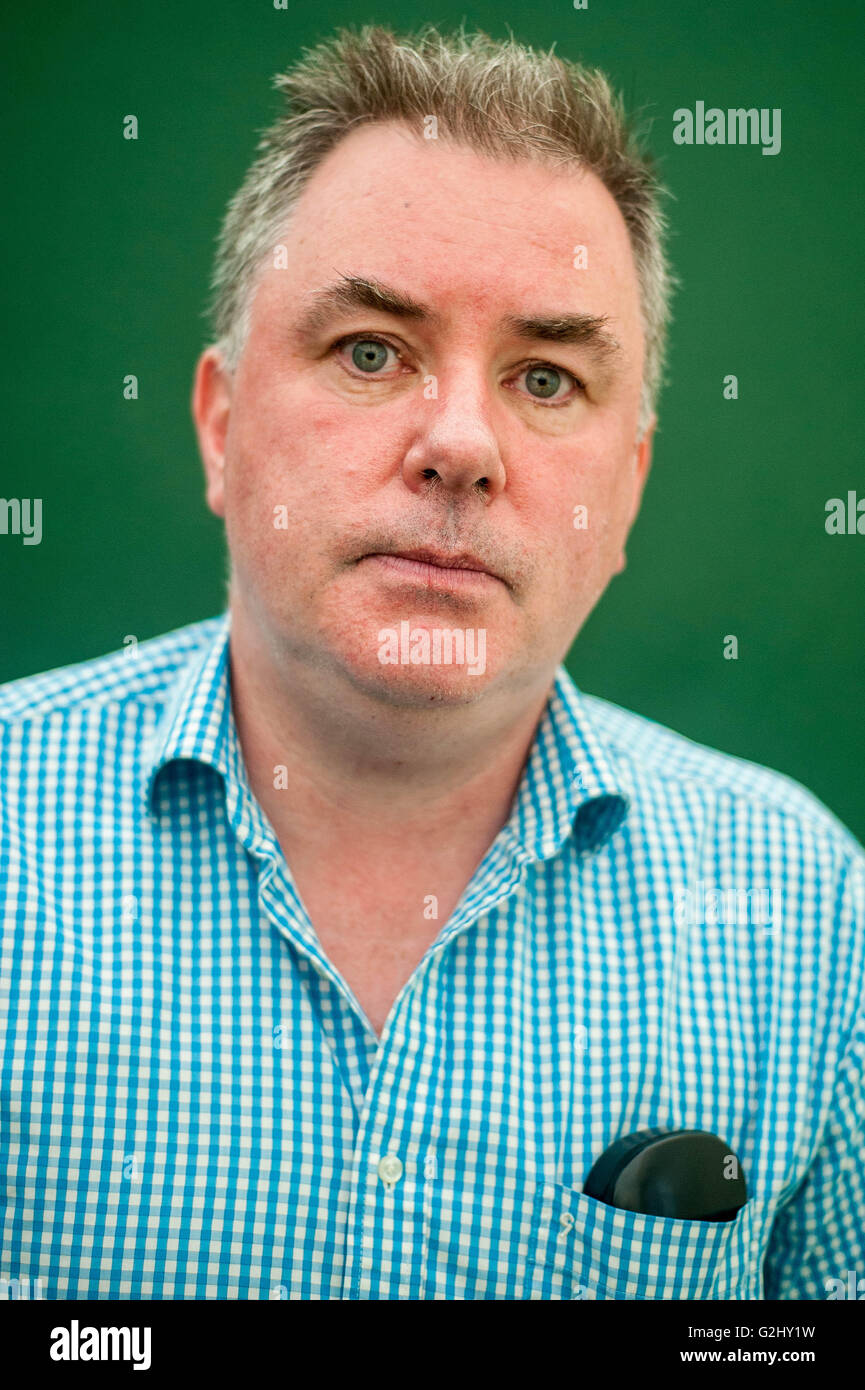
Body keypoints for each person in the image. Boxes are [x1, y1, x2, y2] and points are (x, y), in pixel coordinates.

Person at [0, 24, 862, 1301]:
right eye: (369, 351)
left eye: (547, 378)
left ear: (625, 493)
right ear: (221, 422)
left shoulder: (815, 933)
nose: (460, 445)